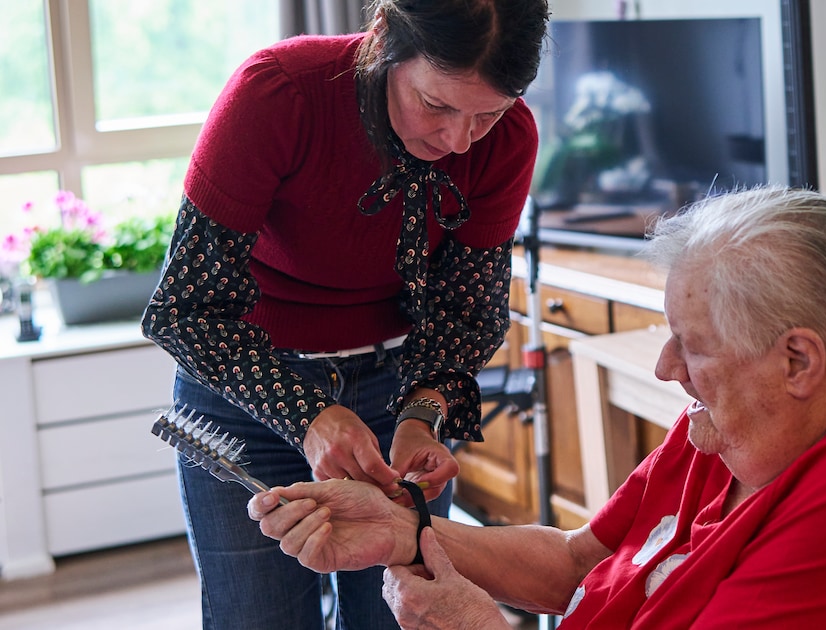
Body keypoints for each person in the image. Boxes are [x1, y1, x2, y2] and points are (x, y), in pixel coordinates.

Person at [247, 186, 826, 628]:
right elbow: (581, 561)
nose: (665, 366)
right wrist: (403, 526)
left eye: (694, 344)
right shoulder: (736, 434)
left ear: (799, 359)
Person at [141, 1, 550, 628]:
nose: (457, 141)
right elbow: (188, 308)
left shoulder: (509, 139)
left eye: (487, 114)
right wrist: (308, 414)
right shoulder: (279, 94)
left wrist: (421, 415)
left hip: (394, 388)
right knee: (256, 617)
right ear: (384, 39)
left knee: (400, 616)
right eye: (436, 105)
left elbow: (463, 310)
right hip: (246, 388)